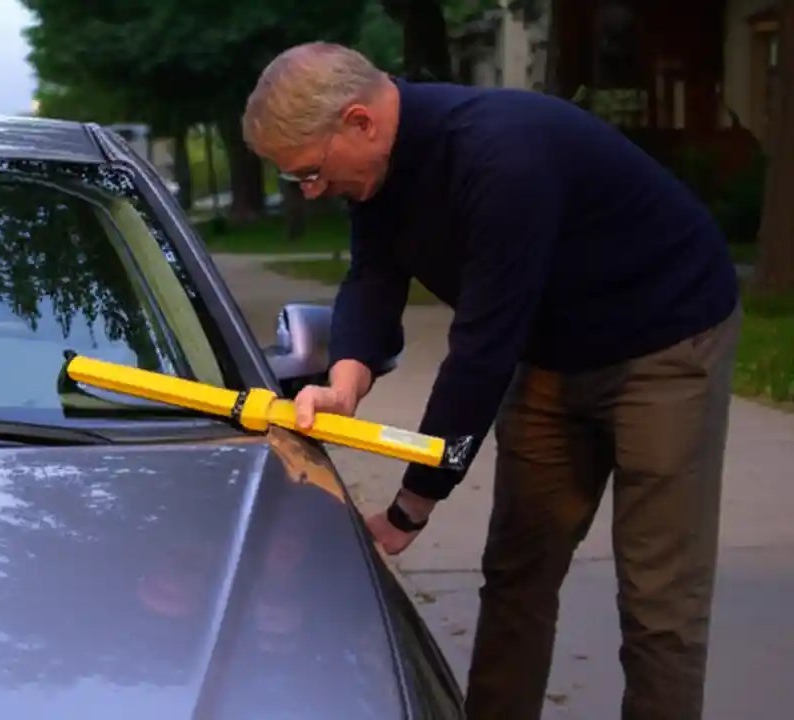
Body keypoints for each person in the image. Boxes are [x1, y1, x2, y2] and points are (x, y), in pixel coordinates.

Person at [240, 42, 740, 720]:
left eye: (309, 172)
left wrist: (414, 502)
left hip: (664, 341)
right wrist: (344, 382)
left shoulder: (499, 155)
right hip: (553, 350)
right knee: (516, 573)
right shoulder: (379, 171)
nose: (312, 190)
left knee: (659, 599)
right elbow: (373, 277)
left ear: (359, 121)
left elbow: (482, 350)